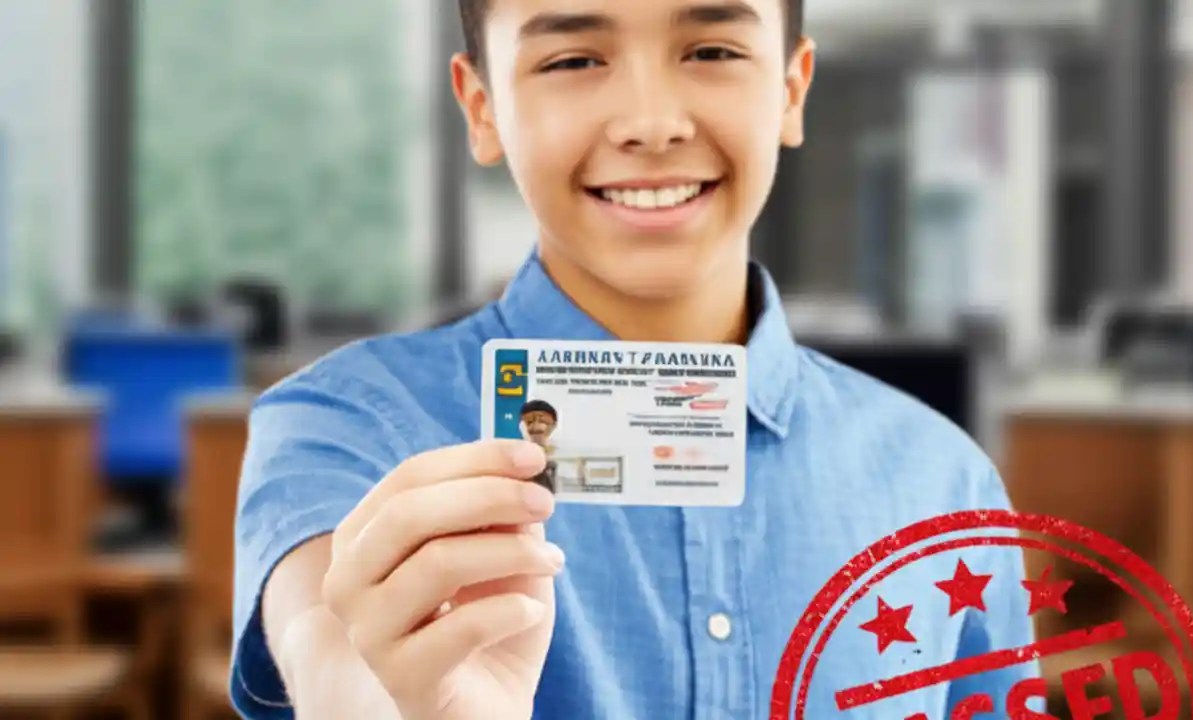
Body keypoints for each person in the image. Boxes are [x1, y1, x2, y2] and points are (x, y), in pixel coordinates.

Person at [232, 1, 1038, 718]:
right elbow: (322, 639)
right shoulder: (346, 424)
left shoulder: (944, 480)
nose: (651, 124)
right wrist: (390, 700)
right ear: (482, 108)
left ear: (791, 88)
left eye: (712, 51)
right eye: (574, 59)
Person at [518, 400, 559, 492]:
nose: (536, 426)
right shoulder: (517, 453)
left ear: (553, 425)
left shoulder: (560, 453)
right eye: (529, 422)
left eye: (542, 421)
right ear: (522, 426)